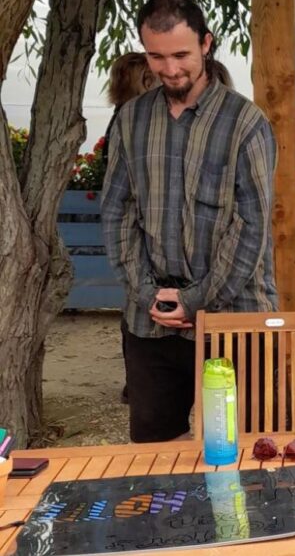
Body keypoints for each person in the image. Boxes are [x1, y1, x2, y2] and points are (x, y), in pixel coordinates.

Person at [101, 0, 277, 443]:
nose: (170, 68)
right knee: (155, 457)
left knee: (246, 452)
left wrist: (197, 298)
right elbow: (117, 211)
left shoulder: (246, 122)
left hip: (235, 317)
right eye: (156, 56)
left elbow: (251, 227)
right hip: (150, 322)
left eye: (181, 54)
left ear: (206, 44)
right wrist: (147, 294)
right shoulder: (130, 118)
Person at [104, 52, 160, 406]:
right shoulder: (129, 122)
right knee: (136, 310)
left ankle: (138, 383)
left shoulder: (121, 120)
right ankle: (138, 382)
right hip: (138, 229)